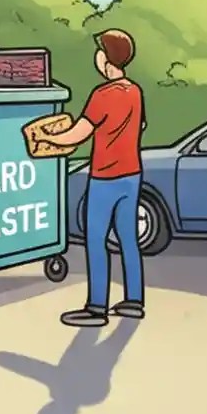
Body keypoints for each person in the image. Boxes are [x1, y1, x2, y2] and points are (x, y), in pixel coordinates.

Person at [35, 29, 146, 328]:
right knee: (127, 239)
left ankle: (97, 307)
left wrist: (46, 137)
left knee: (95, 239)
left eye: (99, 51)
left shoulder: (102, 95)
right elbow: (141, 124)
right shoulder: (134, 91)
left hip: (106, 176)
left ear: (105, 58)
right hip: (131, 174)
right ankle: (134, 300)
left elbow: (78, 134)